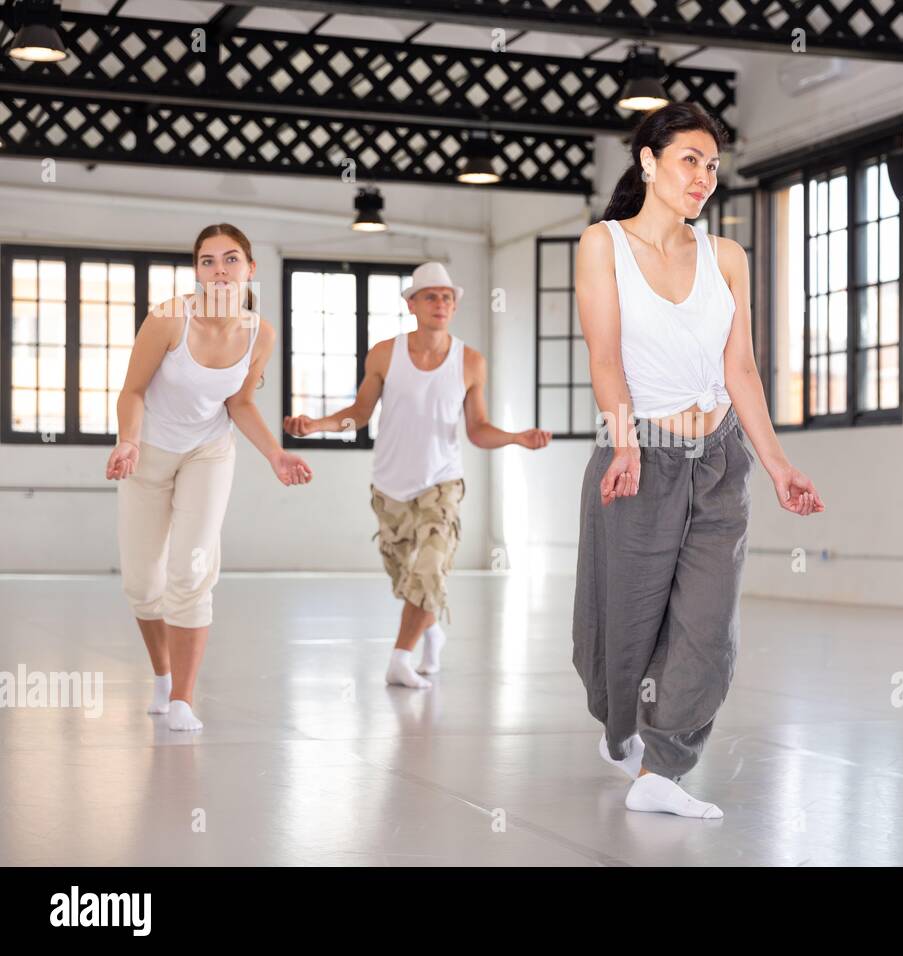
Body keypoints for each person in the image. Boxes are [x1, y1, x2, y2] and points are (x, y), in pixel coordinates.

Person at [572, 102, 825, 820]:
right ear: (649, 163)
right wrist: (624, 441)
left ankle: (664, 767)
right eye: (690, 159)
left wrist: (776, 465)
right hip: (640, 454)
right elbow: (605, 356)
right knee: (622, 629)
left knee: (707, 626)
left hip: (719, 459)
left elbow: (740, 368)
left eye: (713, 165)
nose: (704, 177)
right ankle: (622, 724)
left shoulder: (727, 258)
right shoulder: (603, 245)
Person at [284, 261, 550, 688]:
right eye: (431, 296)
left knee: (429, 573)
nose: (441, 303)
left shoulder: (471, 362)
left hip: (441, 486)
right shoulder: (385, 354)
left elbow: (477, 430)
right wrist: (316, 426)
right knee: (407, 581)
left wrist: (517, 438)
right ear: (411, 304)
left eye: (447, 297)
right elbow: (359, 414)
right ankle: (431, 634)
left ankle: (399, 659)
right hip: (389, 488)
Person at [107, 223, 313, 732]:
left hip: (209, 450)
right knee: (141, 581)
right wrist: (128, 440)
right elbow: (132, 390)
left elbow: (239, 401)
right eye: (207, 261)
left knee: (191, 572)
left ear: (249, 268)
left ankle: (183, 697)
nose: (218, 270)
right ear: (196, 269)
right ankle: (161, 674)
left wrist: (275, 454)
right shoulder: (168, 319)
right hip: (149, 450)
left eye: (230, 260)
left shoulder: (259, 333)